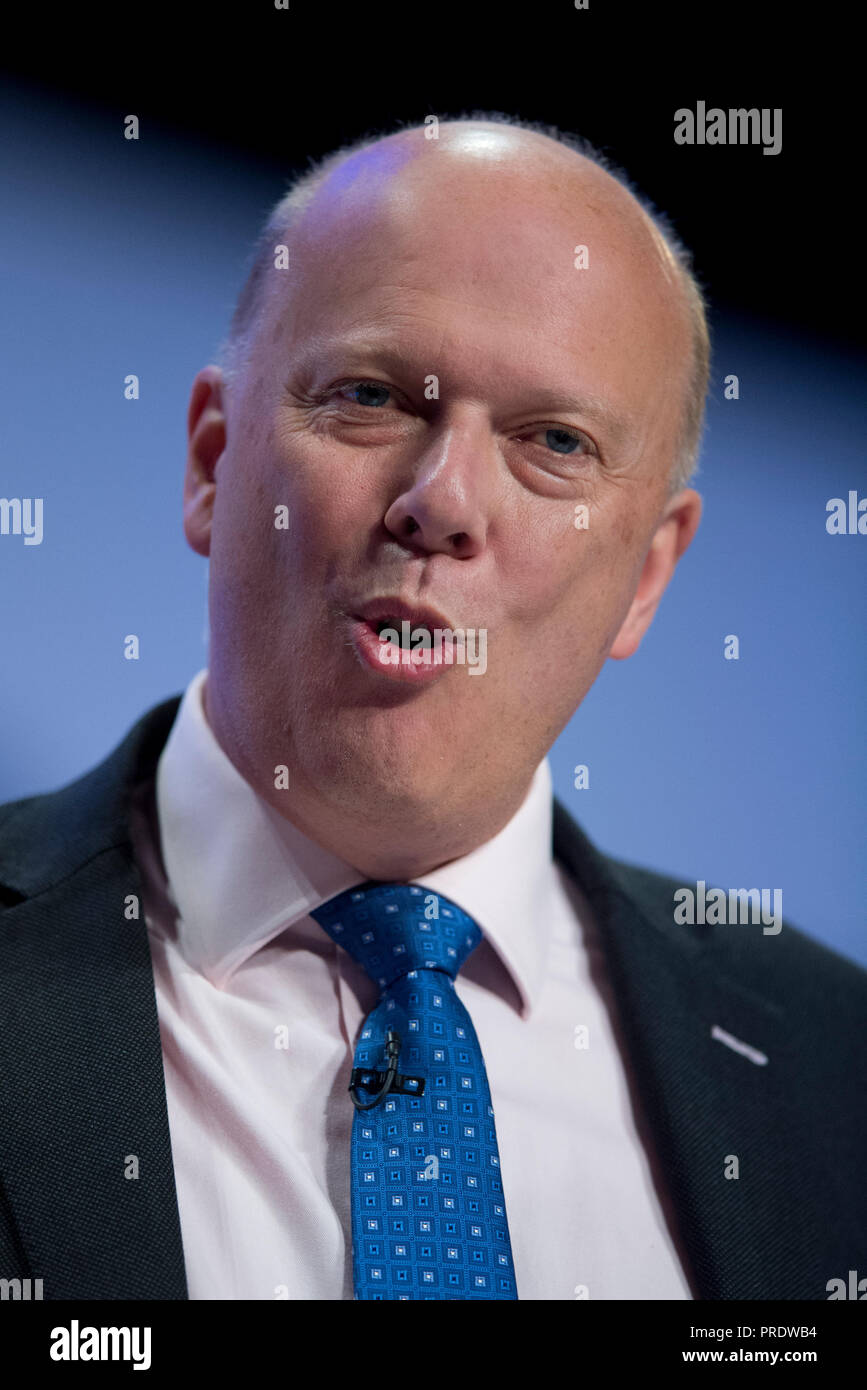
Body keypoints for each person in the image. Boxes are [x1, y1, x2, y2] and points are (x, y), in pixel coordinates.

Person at [0, 114, 863, 1302]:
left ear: (648, 577)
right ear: (212, 462)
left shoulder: (835, 1068)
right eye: (372, 396)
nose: (443, 500)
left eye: (554, 442)